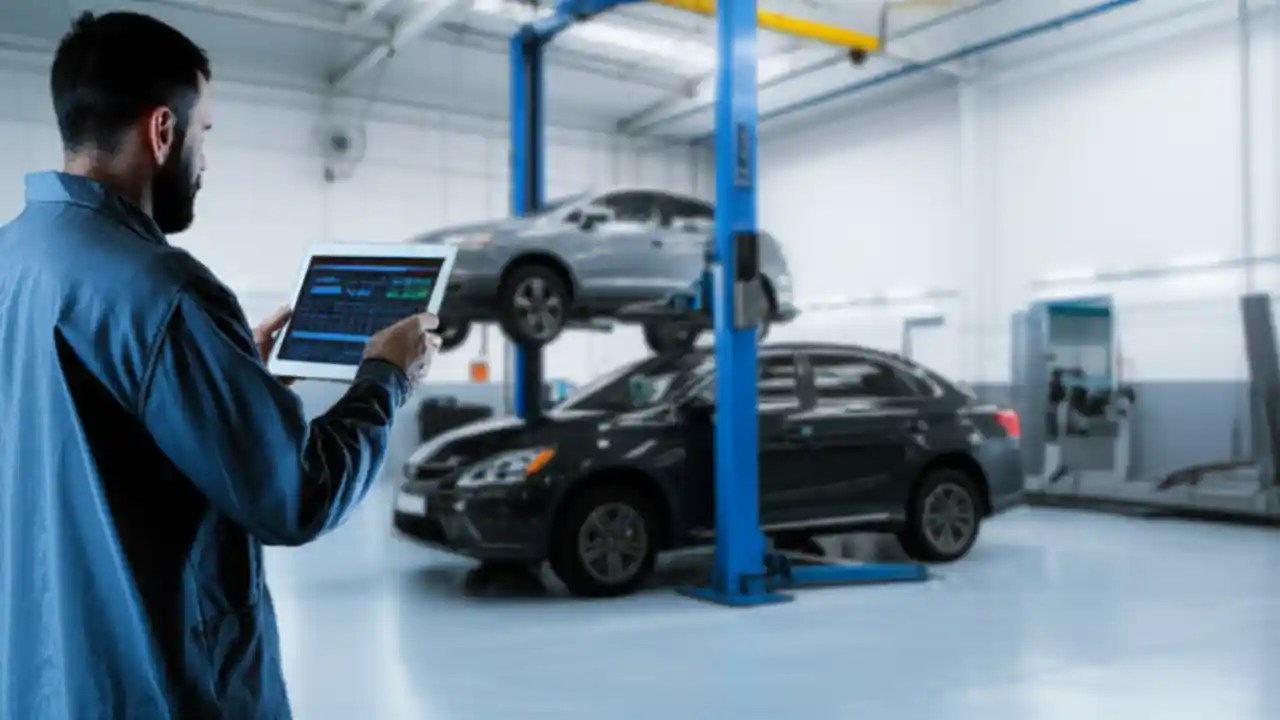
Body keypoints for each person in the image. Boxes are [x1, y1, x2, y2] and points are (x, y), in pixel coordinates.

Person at [0, 12, 440, 719]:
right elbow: (296, 495)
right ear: (163, 131)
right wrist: (386, 378)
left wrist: (233, 374)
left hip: (44, 683)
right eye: (205, 134)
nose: (206, 161)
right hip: (159, 690)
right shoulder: (165, 288)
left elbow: (94, 433)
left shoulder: (13, 258)